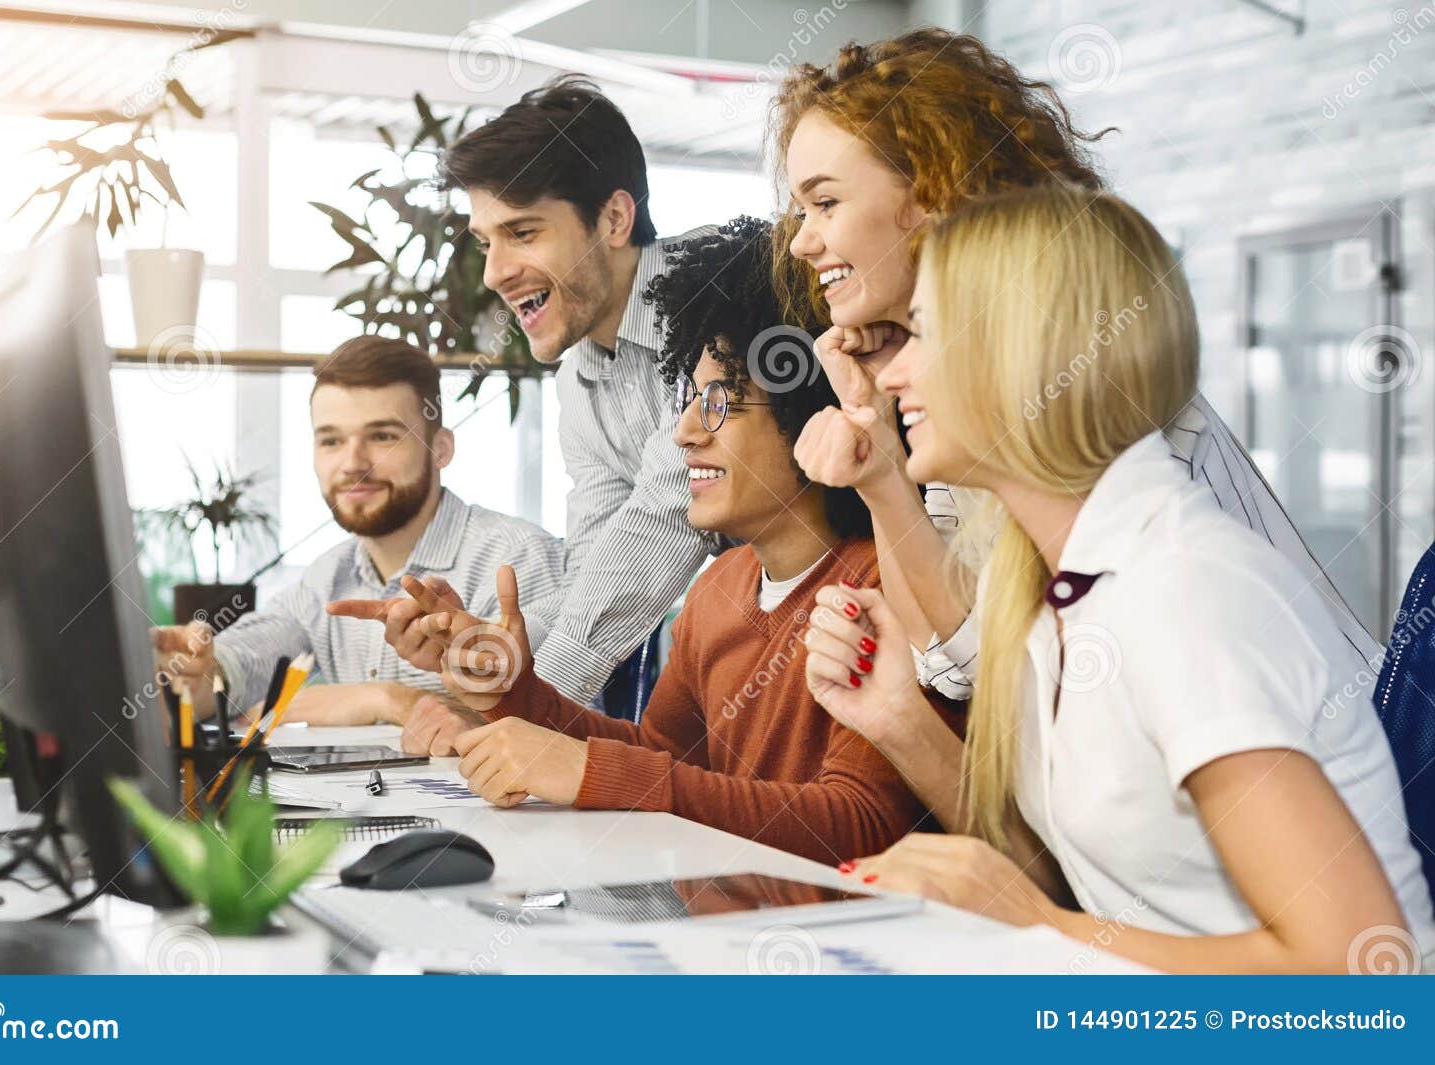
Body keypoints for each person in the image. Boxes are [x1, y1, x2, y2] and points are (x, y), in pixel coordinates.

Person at [806, 186, 1435, 972]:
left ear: (1020, 351)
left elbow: (1362, 967)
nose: (895, 371)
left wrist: (1036, 925)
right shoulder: (1053, 588)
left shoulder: (1183, 591)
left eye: (924, 333)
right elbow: (1076, 881)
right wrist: (899, 714)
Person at [776, 30, 1381, 703]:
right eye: (800, 210)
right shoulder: (960, 381)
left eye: (825, 202)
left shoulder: (1069, 365)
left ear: (931, 190)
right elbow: (955, 665)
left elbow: (997, 666)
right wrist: (880, 456)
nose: (801, 240)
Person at [356, 219, 936, 864]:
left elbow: (860, 823)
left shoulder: (891, 584)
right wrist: (511, 693)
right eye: (688, 398)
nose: (685, 432)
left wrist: (593, 773)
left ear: (807, 408)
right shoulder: (720, 588)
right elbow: (661, 759)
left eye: (718, 402)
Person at [376, 75, 717, 711]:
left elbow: (666, 524)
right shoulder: (582, 372)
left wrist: (524, 707)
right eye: (486, 241)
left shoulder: (710, 298)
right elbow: (597, 568)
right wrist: (489, 651)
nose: (495, 273)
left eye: (523, 233)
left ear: (614, 218)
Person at [152, 336, 563, 725]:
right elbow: (240, 665)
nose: (353, 463)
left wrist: (386, 700)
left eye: (382, 436)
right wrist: (196, 669)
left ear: (440, 449)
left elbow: (556, 720)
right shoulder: (328, 577)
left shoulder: (518, 560)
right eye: (331, 441)